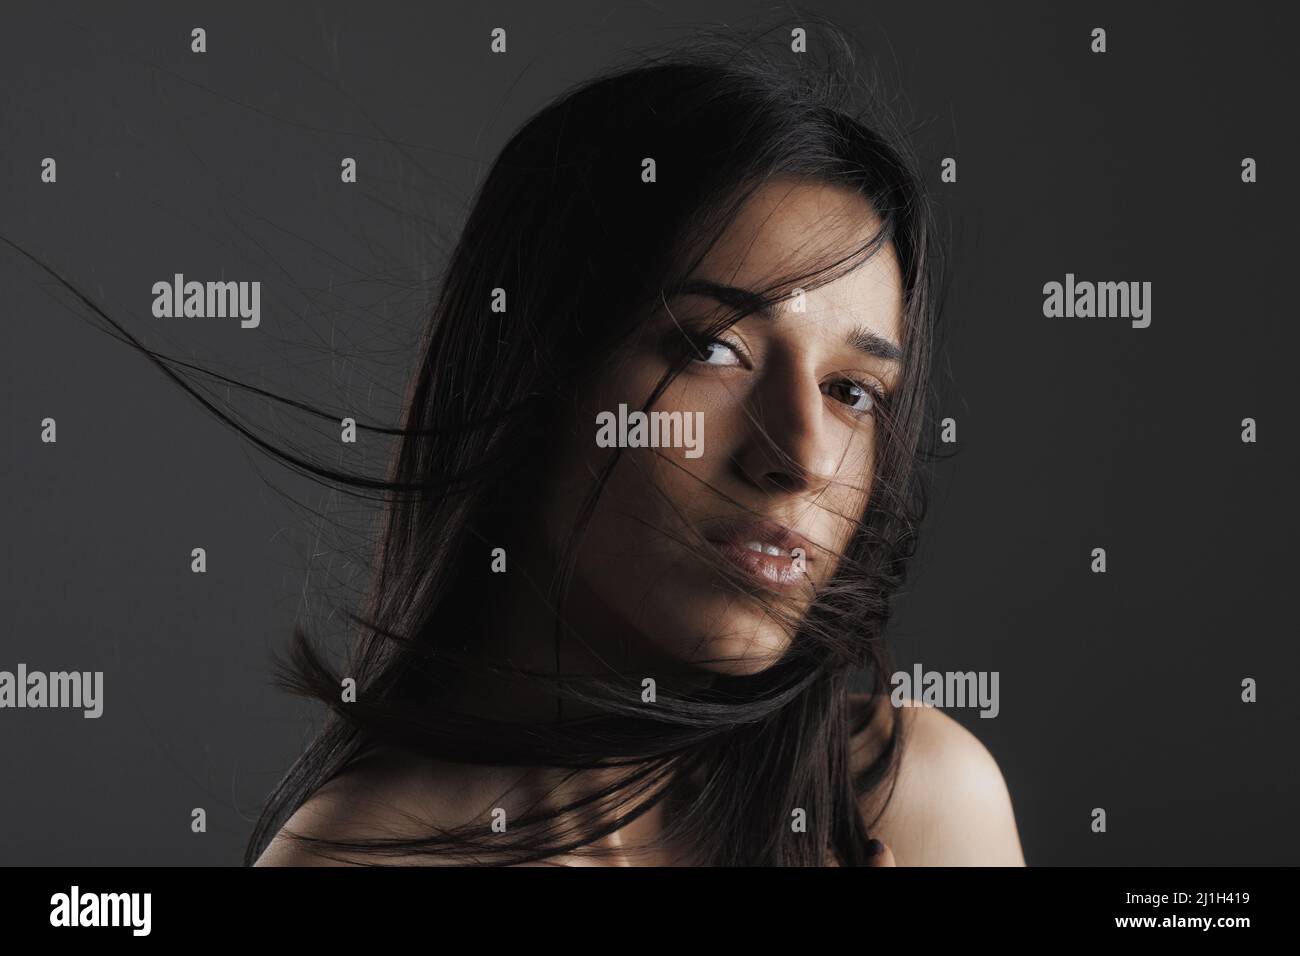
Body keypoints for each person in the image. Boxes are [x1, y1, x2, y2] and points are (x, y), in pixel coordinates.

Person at [244, 33, 1025, 867]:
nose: (804, 456)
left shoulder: (913, 800)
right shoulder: (359, 858)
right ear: (536, 378)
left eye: (852, 392)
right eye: (714, 349)